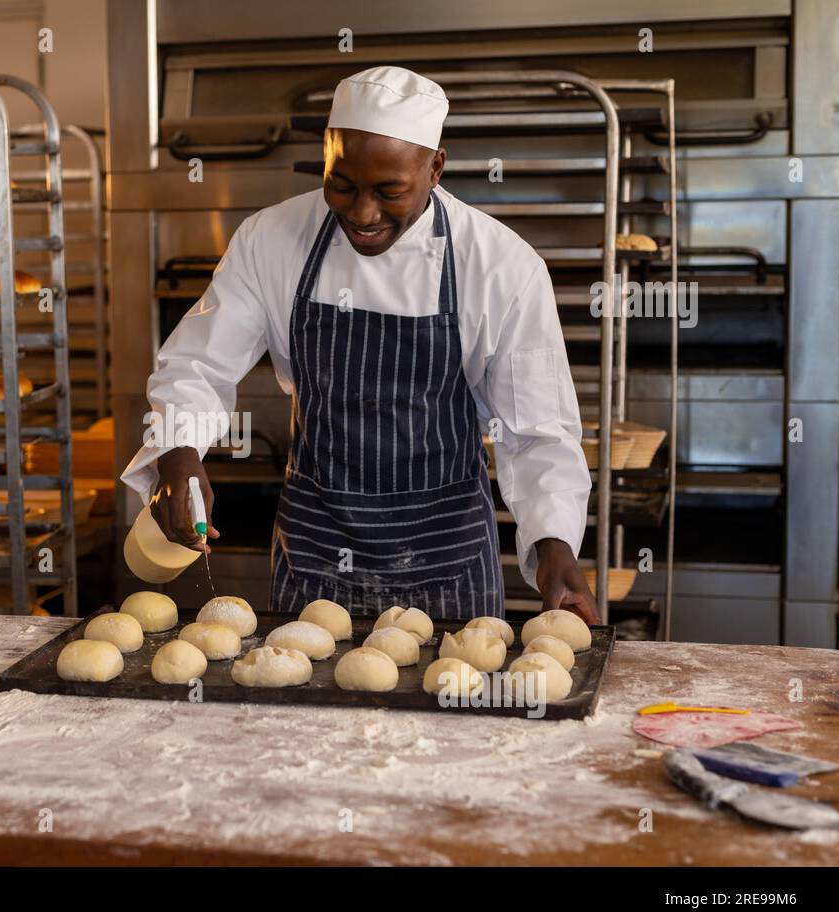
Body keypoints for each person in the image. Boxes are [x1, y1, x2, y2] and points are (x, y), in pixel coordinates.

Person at [121, 66, 597, 623]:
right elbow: (198, 365)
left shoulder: (500, 265)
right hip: (316, 549)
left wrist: (555, 547)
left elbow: (536, 429)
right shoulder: (271, 240)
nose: (362, 214)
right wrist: (178, 450)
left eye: (388, 191)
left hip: (445, 558)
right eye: (340, 184)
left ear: (435, 168)